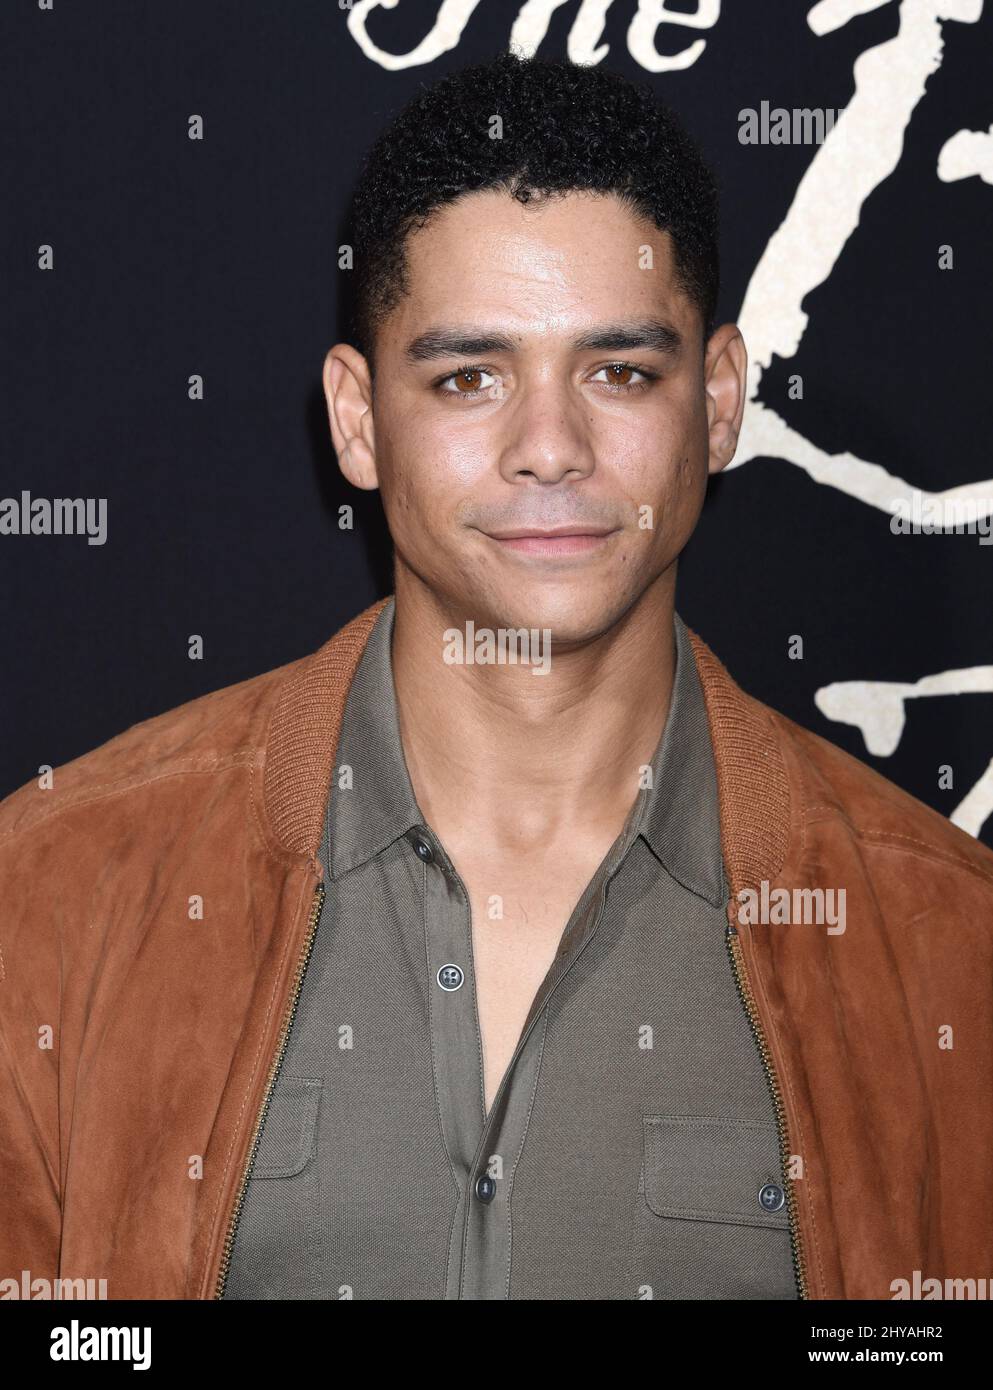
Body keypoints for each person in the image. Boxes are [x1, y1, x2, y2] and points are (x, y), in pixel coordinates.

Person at [1, 50, 990, 1303]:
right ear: (358, 421)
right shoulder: (51, 895)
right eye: (469, 376)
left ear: (721, 401)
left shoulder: (951, 947)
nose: (549, 448)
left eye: (620, 371)